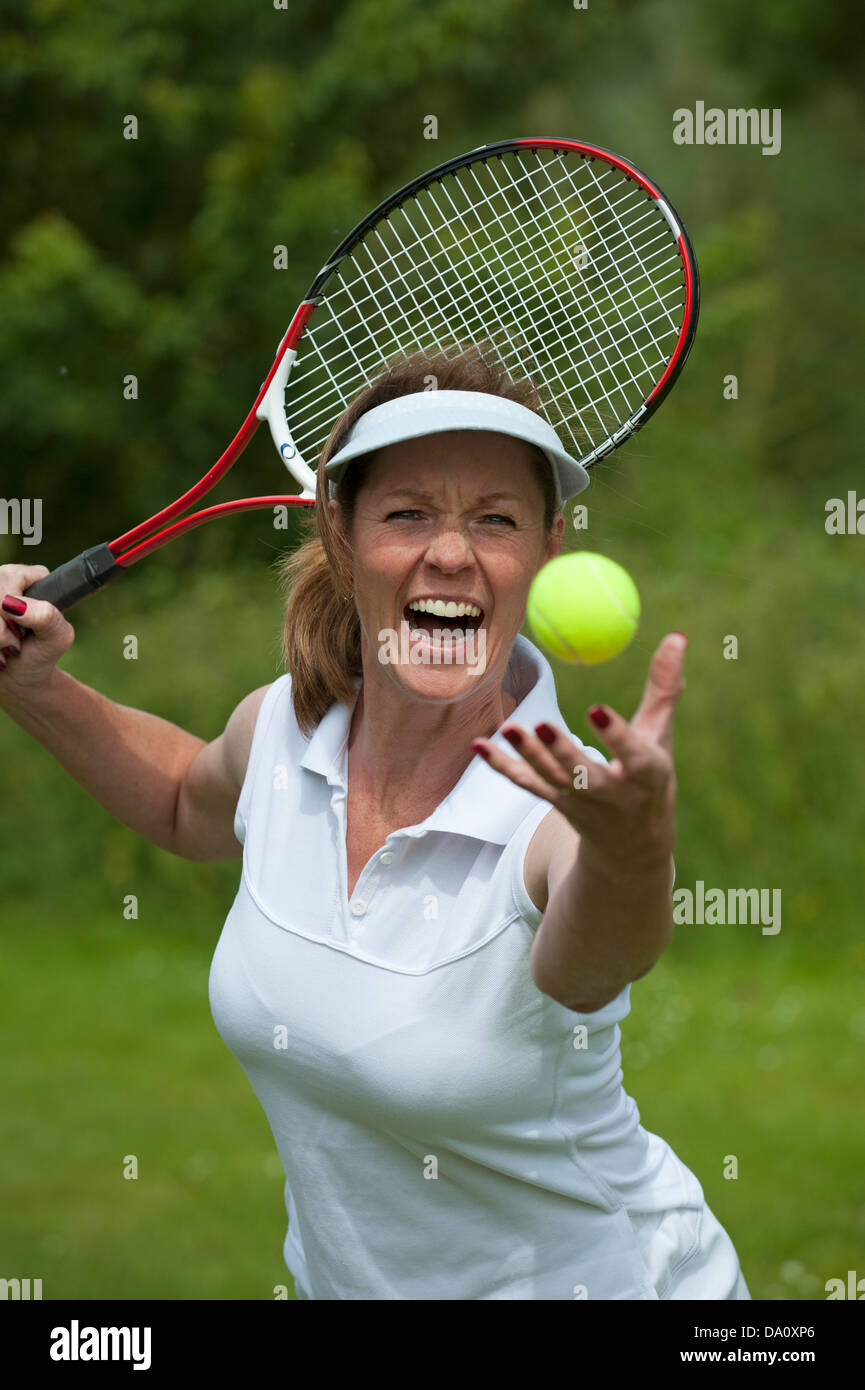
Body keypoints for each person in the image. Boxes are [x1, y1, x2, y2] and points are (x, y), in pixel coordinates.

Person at [0, 345, 750, 1301]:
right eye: (407, 513)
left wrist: (635, 846)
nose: (452, 552)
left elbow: (594, 961)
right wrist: (36, 689)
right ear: (343, 535)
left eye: (495, 518)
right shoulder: (284, 726)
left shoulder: (568, 809)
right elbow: (190, 797)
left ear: (548, 548)